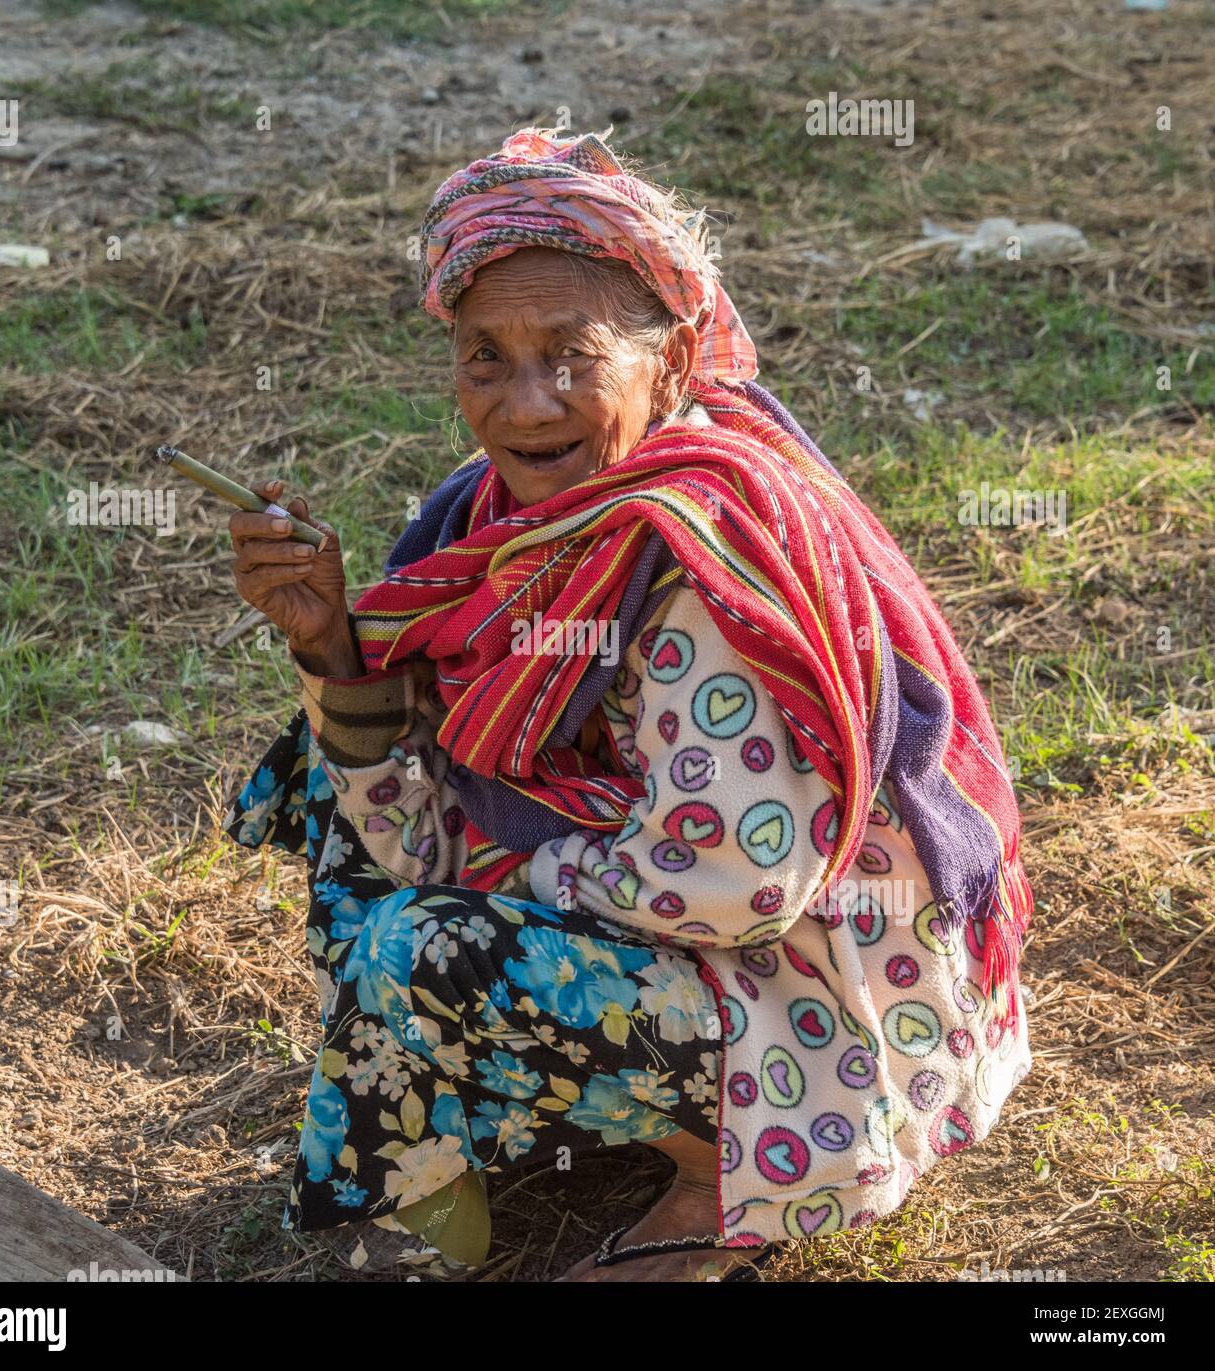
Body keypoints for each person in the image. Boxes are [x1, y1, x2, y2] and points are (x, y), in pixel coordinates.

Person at [225, 127, 1033, 1282]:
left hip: (824, 1001)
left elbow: (734, 884)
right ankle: (516, 1107)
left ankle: (723, 1169)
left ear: (673, 357)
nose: (525, 401)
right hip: (674, 914)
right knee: (328, 772)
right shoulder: (495, 518)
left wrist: (498, 870)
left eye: (572, 354)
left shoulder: (697, 561)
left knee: (421, 944)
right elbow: (410, 791)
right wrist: (332, 653)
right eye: (484, 357)